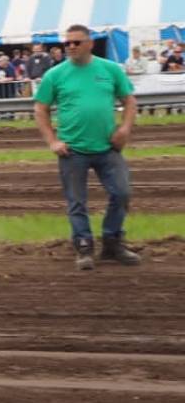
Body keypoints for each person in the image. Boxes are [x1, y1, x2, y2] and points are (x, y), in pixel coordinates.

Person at [33, 25, 138, 269]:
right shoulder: (55, 75)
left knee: (122, 193)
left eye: (76, 42)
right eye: (67, 43)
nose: (71, 47)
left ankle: (112, 241)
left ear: (90, 44)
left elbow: (129, 100)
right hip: (72, 150)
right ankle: (83, 245)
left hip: (107, 147)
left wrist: (125, 129)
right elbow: (40, 108)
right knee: (76, 201)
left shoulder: (110, 69)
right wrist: (52, 141)